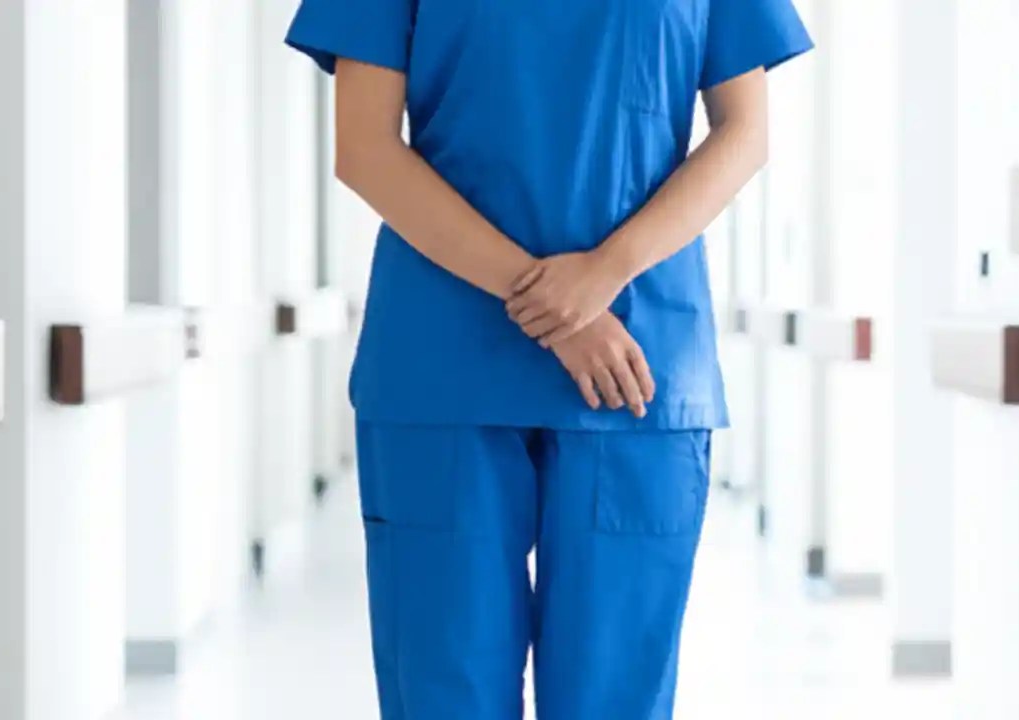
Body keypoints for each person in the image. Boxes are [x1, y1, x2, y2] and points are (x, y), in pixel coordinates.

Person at [286, 0, 811, 716]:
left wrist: (604, 274)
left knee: (615, 700)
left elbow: (745, 132)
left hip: (637, 368)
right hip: (445, 367)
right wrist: (557, 307)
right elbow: (365, 147)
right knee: (447, 694)